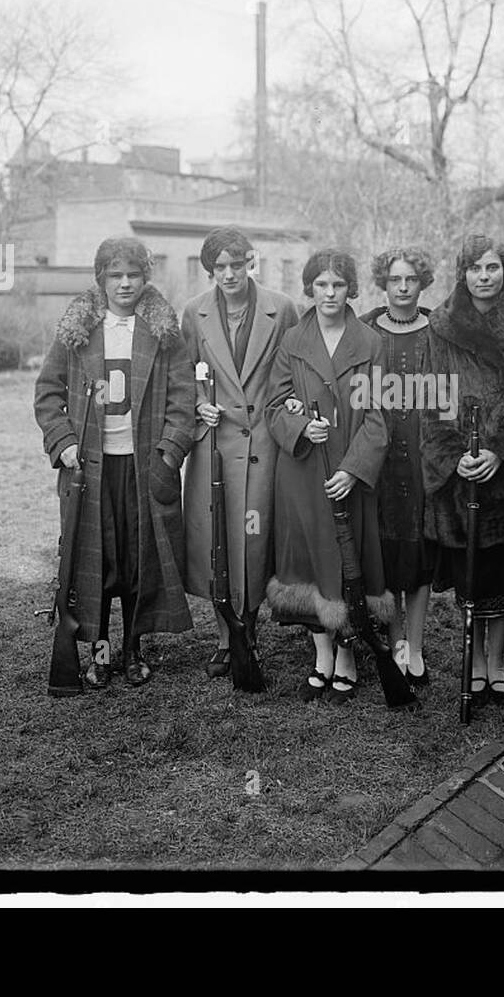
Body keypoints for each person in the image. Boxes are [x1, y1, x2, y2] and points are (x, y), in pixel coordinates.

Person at [34, 236, 194, 688]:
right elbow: (47, 393)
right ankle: (100, 649)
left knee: (137, 558)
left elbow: (184, 397)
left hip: (144, 468)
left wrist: (169, 452)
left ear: (146, 277)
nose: (125, 284)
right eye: (115, 275)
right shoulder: (77, 331)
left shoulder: (162, 332)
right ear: (100, 278)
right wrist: (63, 442)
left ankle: (134, 648)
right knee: (97, 560)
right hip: (90, 469)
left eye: (134, 274)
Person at [423, 235, 504, 707]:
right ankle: (473, 664)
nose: (484, 276)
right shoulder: (443, 325)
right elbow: (432, 396)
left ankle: (497, 664)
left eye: (492, 267)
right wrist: (456, 454)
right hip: (461, 465)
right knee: (471, 572)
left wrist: (501, 451)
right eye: (475, 268)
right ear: (463, 273)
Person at [264, 249, 391, 703]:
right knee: (311, 564)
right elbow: (274, 405)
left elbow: (378, 416)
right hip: (303, 473)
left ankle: (349, 657)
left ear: (350, 289)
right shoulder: (293, 341)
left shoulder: (370, 343)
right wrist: (301, 426)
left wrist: (355, 470)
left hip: (348, 474)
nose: (330, 293)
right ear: (310, 289)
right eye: (321, 285)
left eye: (338, 285)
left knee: (349, 563)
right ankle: (321, 657)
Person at [180, 227, 299, 684]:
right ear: (210, 271)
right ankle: (226, 634)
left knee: (254, 536)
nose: (229, 274)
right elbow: (182, 374)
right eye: (219, 268)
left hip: (266, 446)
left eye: (236, 264)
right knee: (217, 541)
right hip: (215, 445)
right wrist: (198, 402)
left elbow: (294, 369)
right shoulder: (194, 312)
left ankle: (248, 631)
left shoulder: (282, 307)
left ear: (252, 261)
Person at [361, 246, 437, 687]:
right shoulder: (368, 330)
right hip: (380, 456)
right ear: (384, 284)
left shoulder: (438, 330)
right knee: (387, 550)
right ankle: (394, 643)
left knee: (419, 552)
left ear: (421, 282)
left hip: (423, 454)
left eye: (411, 280)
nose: (403, 288)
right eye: (395, 280)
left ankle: (417, 643)